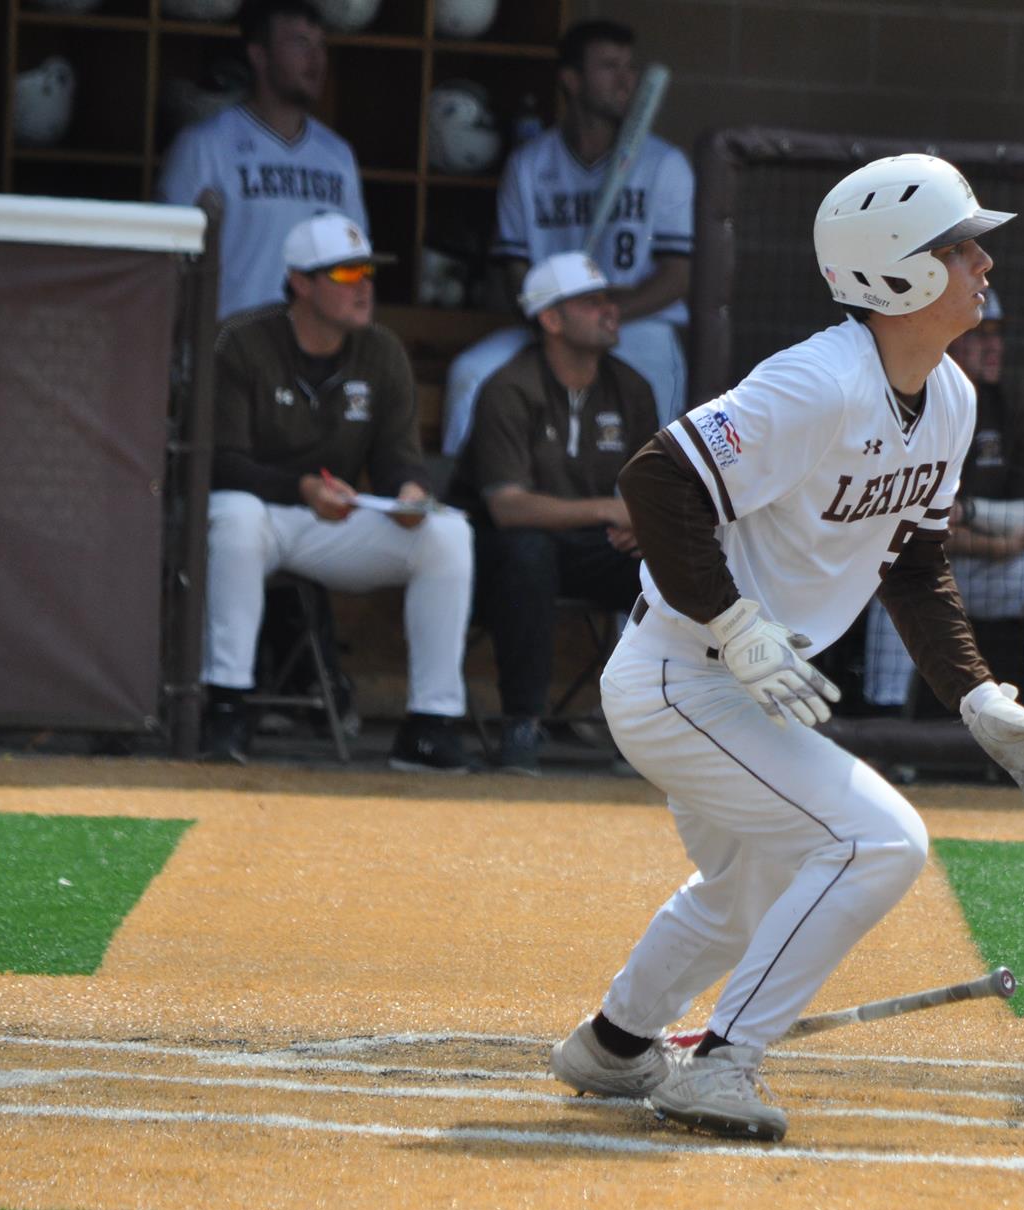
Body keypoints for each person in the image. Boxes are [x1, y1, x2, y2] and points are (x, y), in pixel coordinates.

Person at [547, 155, 1024, 1142]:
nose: (983, 262)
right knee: (879, 840)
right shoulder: (818, 379)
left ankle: (614, 1045)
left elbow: (915, 568)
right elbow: (655, 480)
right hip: (680, 675)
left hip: (748, 689)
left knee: (747, 892)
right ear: (898, 272)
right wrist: (733, 620)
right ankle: (720, 1065)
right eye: (961, 245)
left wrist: (975, 696)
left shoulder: (951, 399)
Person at [201, 212, 474, 772]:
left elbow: (396, 456)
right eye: (347, 275)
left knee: (447, 532)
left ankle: (432, 723)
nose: (365, 287)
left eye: (368, 273)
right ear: (301, 282)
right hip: (266, 513)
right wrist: (299, 487)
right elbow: (216, 462)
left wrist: (408, 493)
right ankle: (223, 703)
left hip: (333, 519)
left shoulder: (381, 350)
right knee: (233, 515)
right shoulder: (242, 341)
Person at [441, 19, 693, 451]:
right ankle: (460, 505)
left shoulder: (664, 164)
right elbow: (514, 266)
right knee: (470, 372)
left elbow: (678, 275)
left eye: (629, 67)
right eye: (609, 67)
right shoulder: (529, 165)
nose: (626, 79)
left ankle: (640, 515)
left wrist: (603, 310)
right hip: (550, 325)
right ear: (571, 80)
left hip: (637, 326)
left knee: (656, 397)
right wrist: (554, 313)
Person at [451, 252, 660, 775]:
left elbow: (659, 486)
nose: (610, 310)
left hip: (589, 545)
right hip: (491, 550)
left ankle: (651, 729)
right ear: (550, 319)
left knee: (668, 565)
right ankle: (521, 723)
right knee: (527, 553)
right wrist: (613, 509)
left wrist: (646, 526)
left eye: (609, 299)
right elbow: (507, 506)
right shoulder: (508, 387)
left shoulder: (630, 387)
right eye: (592, 302)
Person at [859, 289, 1024, 721]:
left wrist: (972, 515)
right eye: (979, 334)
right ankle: (883, 723)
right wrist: (997, 544)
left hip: (979, 568)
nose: (993, 346)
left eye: (999, 334)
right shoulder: (908, 395)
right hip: (922, 562)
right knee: (890, 565)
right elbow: (900, 523)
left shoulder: (1010, 401)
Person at [157, 0, 368, 320]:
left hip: (310, 357)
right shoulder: (205, 146)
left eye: (320, 45)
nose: (316, 58)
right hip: (225, 353)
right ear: (259, 55)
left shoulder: (337, 156)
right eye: (300, 43)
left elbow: (353, 266)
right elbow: (165, 265)